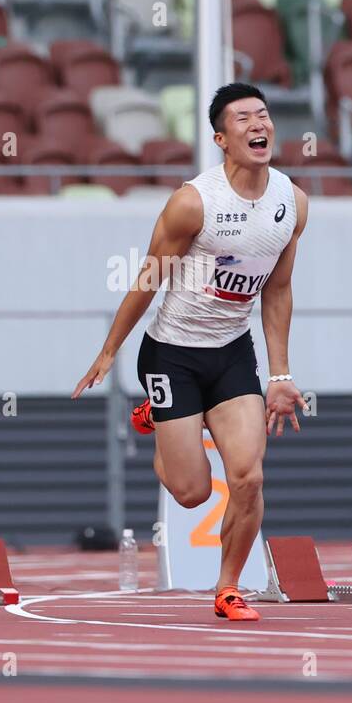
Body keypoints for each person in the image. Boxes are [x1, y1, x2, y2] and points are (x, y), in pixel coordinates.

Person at [73, 83, 308, 622]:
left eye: (264, 115)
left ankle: (228, 588)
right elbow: (150, 278)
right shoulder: (193, 202)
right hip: (172, 355)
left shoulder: (291, 202)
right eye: (244, 118)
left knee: (248, 477)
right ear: (221, 138)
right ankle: (159, 417)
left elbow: (277, 288)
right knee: (192, 493)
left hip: (231, 353)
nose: (258, 125)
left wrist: (280, 374)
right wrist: (110, 350)